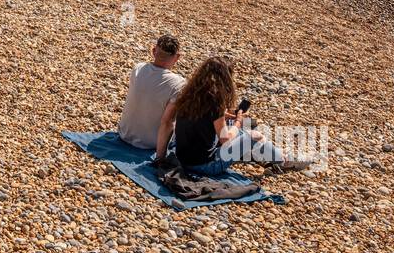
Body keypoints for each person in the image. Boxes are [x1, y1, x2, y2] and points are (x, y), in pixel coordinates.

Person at [154, 56, 312, 173]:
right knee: (254, 135)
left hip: (181, 157)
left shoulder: (188, 94)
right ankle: (283, 161)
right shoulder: (214, 103)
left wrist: (224, 116)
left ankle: (272, 157)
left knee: (241, 131)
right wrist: (238, 121)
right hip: (203, 165)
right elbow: (225, 139)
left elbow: (200, 120)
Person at [117, 36, 185, 149]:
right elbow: (168, 121)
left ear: (154, 51)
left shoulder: (138, 69)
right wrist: (161, 157)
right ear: (177, 57)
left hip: (124, 134)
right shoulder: (178, 83)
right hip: (152, 143)